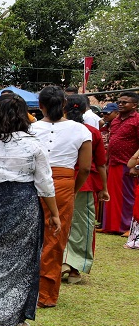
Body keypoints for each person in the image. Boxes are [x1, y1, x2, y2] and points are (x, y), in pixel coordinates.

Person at [0, 93, 58, 326]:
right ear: (25, 115)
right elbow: (45, 183)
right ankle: (12, 321)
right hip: (23, 203)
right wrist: (54, 214)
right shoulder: (33, 144)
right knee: (20, 261)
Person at [31, 87, 92, 308]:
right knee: (55, 240)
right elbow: (84, 168)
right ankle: (46, 295)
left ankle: (26, 291)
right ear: (64, 104)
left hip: (33, 183)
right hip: (64, 183)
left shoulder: (31, 128)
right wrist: (73, 190)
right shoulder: (81, 130)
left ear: (40, 106)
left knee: (32, 237)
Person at [63, 95, 108, 282]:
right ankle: (74, 268)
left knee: (56, 223)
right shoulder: (92, 132)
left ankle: (57, 263)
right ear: (85, 110)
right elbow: (100, 164)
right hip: (84, 184)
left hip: (57, 182)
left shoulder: (56, 129)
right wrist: (104, 188)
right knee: (82, 226)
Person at [102, 92, 139, 234]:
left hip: (128, 164)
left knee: (127, 197)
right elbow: (112, 141)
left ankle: (127, 227)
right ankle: (111, 226)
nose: (121, 104)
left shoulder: (137, 120)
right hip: (113, 163)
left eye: (125, 102)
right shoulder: (116, 119)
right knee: (112, 196)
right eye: (119, 102)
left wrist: (136, 165)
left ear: (134, 105)